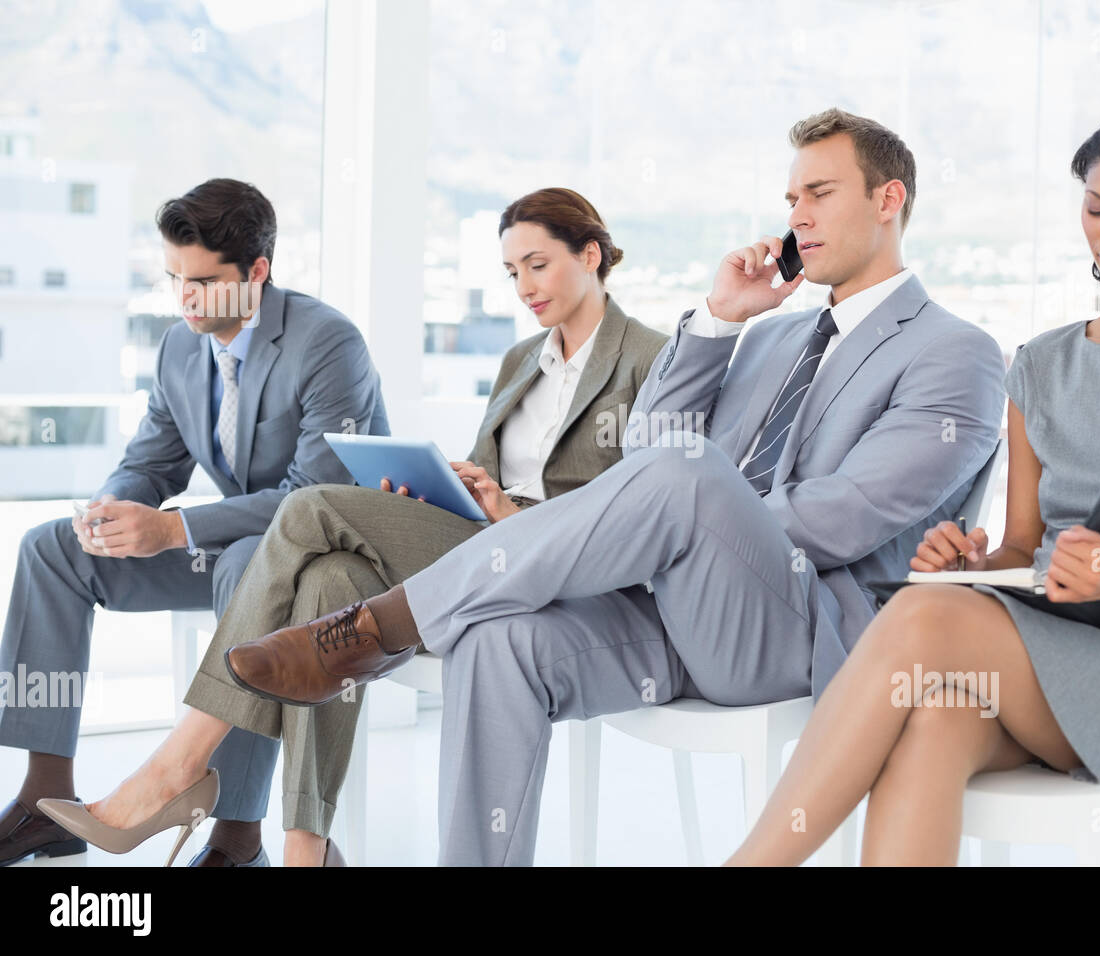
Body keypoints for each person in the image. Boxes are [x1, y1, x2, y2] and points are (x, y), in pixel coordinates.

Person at [50, 105, 1010, 867]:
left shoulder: (957, 355)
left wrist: (681, 520)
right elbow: (652, 440)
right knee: (500, 639)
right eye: (789, 193)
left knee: (682, 479)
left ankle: (380, 630)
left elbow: (844, 520)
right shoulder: (763, 335)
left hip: (787, 622)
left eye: (820, 192)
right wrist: (717, 321)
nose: (794, 213)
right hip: (657, 601)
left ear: (888, 200)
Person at [722, 100, 1100, 866]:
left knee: (925, 623)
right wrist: (970, 563)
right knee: (928, 722)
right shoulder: (1039, 361)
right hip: (1043, 644)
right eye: (1096, 209)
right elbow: (1024, 545)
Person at [36, 187, 668, 866]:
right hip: (485, 550)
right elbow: (489, 480)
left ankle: (174, 767)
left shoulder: (650, 357)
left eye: (537, 265)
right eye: (512, 272)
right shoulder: (521, 362)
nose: (523, 287)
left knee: (310, 506)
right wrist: (449, 492)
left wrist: (515, 515)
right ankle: (308, 848)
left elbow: (647, 511)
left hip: (561, 567)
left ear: (592, 254)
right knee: (333, 581)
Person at [0, 178, 389, 867]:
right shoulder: (180, 348)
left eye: (204, 281)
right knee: (49, 550)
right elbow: (150, 462)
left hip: (322, 556)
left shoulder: (328, 344)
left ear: (258, 273)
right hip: (228, 541)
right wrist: (111, 509)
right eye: (175, 276)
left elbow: (315, 497)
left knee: (245, 569)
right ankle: (45, 794)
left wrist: (174, 531)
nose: (184, 297)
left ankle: (236, 836)